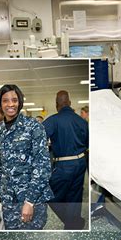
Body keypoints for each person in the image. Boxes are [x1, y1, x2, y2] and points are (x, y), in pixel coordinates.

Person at [0, 84, 54, 230]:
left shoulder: (33, 127)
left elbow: (42, 166)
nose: (10, 104)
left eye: (14, 100)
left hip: (32, 198)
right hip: (9, 200)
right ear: (0, 104)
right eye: (5, 100)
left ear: (20, 102)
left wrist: (29, 201)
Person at [43, 90, 89, 230]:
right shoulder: (81, 121)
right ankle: (74, 224)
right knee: (74, 196)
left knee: (49, 194)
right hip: (81, 163)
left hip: (64, 165)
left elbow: (38, 138)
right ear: (69, 103)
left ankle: (72, 223)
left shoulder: (53, 120)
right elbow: (88, 143)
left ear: (57, 105)